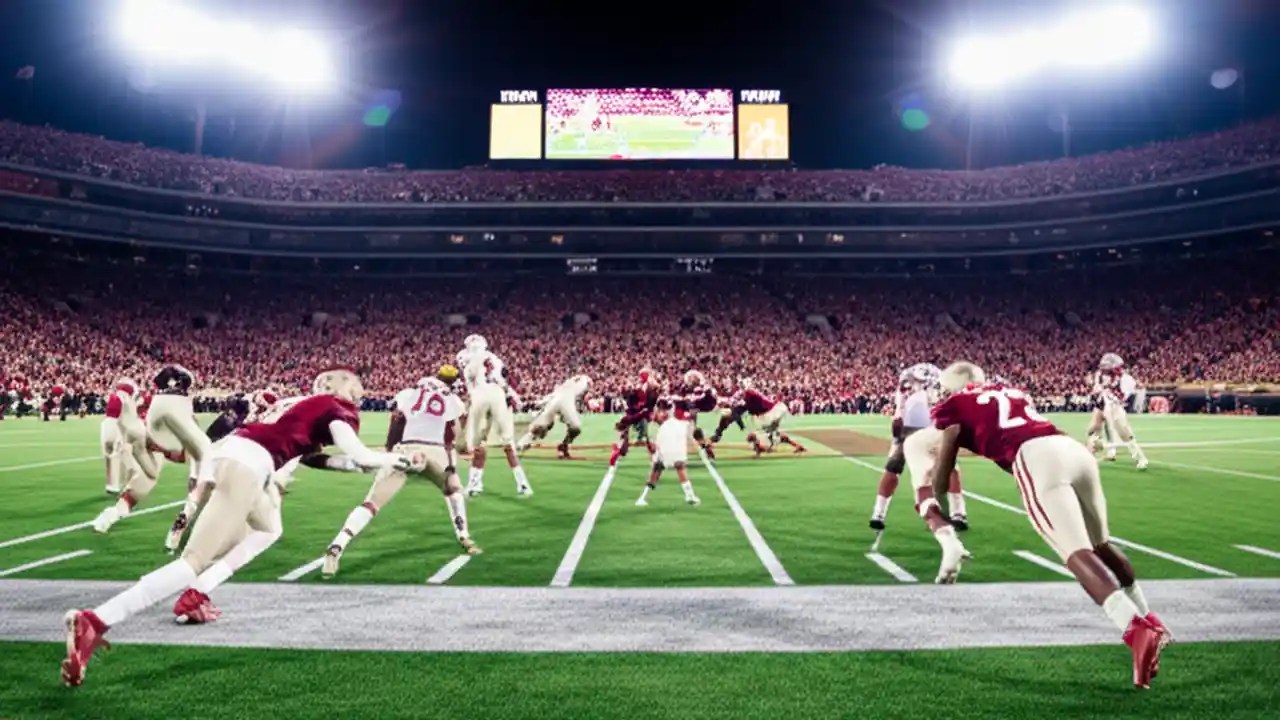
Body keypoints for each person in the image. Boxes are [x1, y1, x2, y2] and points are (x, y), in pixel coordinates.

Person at [62, 369, 408, 686]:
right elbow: (359, 453)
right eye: (355, 387)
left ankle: (196, 595)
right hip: (246, 464)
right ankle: (96, 620)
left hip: (237, 457)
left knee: (268, 528)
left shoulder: (300, 403)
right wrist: (395, 458)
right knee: (192, 561)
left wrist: (356, 466)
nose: (359, 394)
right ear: (335, 386)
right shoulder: (333, 404)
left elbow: (310, 457)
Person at [926, 361, 1170, 689]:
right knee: (1102, 546)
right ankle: (1150, 619)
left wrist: (936, 495)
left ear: (955, 385)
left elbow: (949, 444)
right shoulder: (1009, 390)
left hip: (1036, 458)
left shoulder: (955, 403)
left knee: (1075, 553)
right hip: (1072, 450)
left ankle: (1135, 629)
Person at [322, 365, 479, 578]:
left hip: (406, 447)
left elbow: (396, 422)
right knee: (453, 490)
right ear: (452, 382)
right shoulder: (453, 400)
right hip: (433, 449)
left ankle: (338, 545)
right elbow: (451, 435)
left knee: (371, 503)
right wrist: (451, 463)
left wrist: (390, 450)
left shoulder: (409, 393)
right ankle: (464, 536)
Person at [516, 373, 592, 458]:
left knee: (542, 424)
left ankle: (522, 443)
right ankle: (563, 446)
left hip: (557, 399)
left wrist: (537, 404)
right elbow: (580, 397)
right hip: (566, 400)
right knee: (576, 428)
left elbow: (552, 396)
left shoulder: (568, 384)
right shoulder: (586, 382)